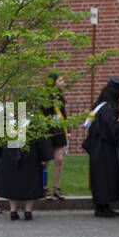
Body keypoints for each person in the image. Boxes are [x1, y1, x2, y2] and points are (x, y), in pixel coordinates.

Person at [0, 106, 53, 222]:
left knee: (13, 182)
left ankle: (13, 211)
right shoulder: (35, 121)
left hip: (10, 156)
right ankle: (28, 211)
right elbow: (43, 139)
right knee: (30, 183)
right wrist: (45, 157)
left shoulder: (8, 120)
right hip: (31, 156)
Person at [82, 76, 119, 218]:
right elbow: (112, 131)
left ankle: (103, 207)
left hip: (98, 149)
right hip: (103, 150)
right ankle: (102, 208)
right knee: (103, 177)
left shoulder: (99, 106)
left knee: (101, 177)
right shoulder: (107, 109)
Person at [44, 73, 69, 201]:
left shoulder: (60, 96)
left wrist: (67, 128)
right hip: (48, 131)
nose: (63, 81)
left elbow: (63, 113)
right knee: (45, 161)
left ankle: (56, 187)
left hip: (59, 131)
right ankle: (44, 187)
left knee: (59, 160)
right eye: (61, 80)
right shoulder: (44, 97)